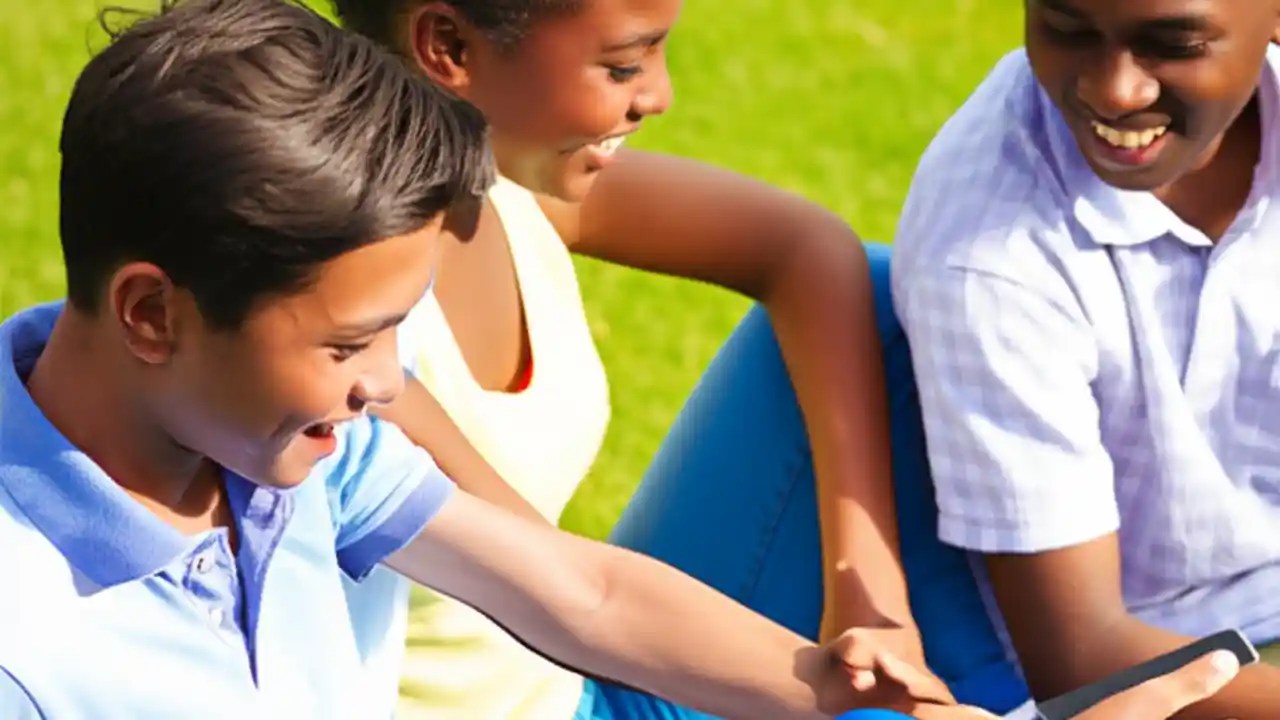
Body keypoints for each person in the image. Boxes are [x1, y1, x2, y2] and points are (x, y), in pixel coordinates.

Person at [0, 0, 979, 717]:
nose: (389, 382)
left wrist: (846, 696)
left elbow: (582, 595)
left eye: (393, 329)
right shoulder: (27, 644)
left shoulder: (296, 453)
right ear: (151, 315)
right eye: (350, 341)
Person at [326, 1, 931, 718]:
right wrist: (845, 691)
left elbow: (807, 251)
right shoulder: (344, 324)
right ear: (450, 47)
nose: (659, 95)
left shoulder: (506, 186)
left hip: (585, 677)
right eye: (622, 66)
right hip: (591, 639)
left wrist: (867, 589)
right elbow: (573, 593)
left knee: (896, 308)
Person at [891, 0, 1280, 717]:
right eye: (1066, 31)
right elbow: (1079, 659)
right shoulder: (989, 251)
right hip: (1156, 669)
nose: (1114, 90)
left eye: (1174, 44)